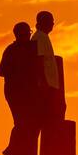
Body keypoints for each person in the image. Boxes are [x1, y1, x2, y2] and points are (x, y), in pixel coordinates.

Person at [0, 21, 37, 155]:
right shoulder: (11, 50)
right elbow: (2, 71)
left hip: (27, 92)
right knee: (22, 122)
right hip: (15, 92)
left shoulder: (33, 48)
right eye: (23, 34)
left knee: (28, 122)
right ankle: (12, 149)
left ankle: (19, 151)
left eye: (27, 33)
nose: (25, 36)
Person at [32, 10, 63, 144]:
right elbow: (39, 61)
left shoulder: (43, 37)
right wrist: (43, 83)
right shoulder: (39, 37)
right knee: (42, 119)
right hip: (46, 85)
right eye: (50, 21)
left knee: (48, 118)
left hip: (50, 85)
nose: (53, 24)